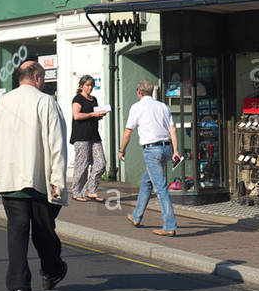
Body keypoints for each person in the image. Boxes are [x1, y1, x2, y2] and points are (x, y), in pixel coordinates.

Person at [0, 61, 68, 291]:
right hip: (39, 179)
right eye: (44, 77)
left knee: (17, 231)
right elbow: (57, 146)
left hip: (9, 179)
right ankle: (53, 269)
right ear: (37, 77)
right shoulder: (46, 102)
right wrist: (58, 181)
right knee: (44, 230)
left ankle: (19, 286)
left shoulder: (1, 103)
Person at [119, 79, 182, 237]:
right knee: (147, 181)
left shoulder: (137, 107)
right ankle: (136, 216)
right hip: (166, 148)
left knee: (160, 189)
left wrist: (122, 150)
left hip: (151, 150)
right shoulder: (162, 106)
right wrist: (175, 150)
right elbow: (172, 129)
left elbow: (128, 132)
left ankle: (169, 225)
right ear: (152, 91)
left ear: (139, 92)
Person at [70, 75, 108, 201]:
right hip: (81, 136)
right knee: (82, 165)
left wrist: (99, 115)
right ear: (81, 86)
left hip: (94, 135)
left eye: (91, 85)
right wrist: (92, 114)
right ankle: (77, 192)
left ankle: (91, 190)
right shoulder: (78, 99)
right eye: (87, 85)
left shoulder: (94, 99)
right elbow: (76, 116)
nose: (90, 88)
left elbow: (93, 115)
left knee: (101, 163)